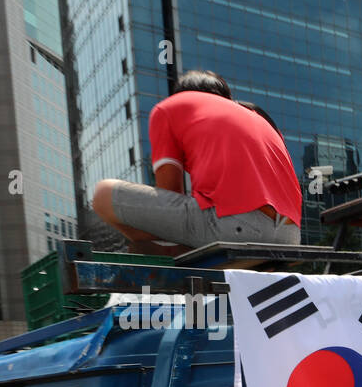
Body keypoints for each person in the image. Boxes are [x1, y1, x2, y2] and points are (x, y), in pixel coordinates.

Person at [92, 70, 302, 255]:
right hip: (290, 235)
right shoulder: (257, 117)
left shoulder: (169, 108)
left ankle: (173, 251)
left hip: (237, 229)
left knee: (103, 194)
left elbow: (169, 193)